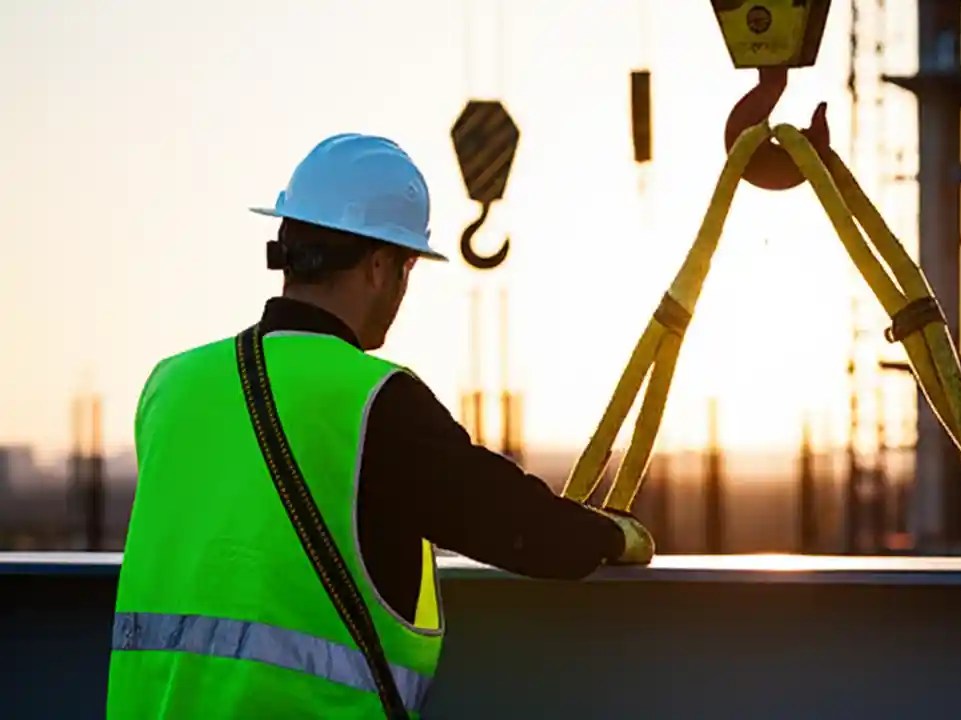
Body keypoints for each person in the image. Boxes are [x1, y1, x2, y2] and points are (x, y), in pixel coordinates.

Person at [106, 133, 654, 719]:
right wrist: (609, 535)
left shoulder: (170, 385)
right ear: (377, 265)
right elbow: (510, 521)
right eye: (407, 266)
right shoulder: (375, 401)